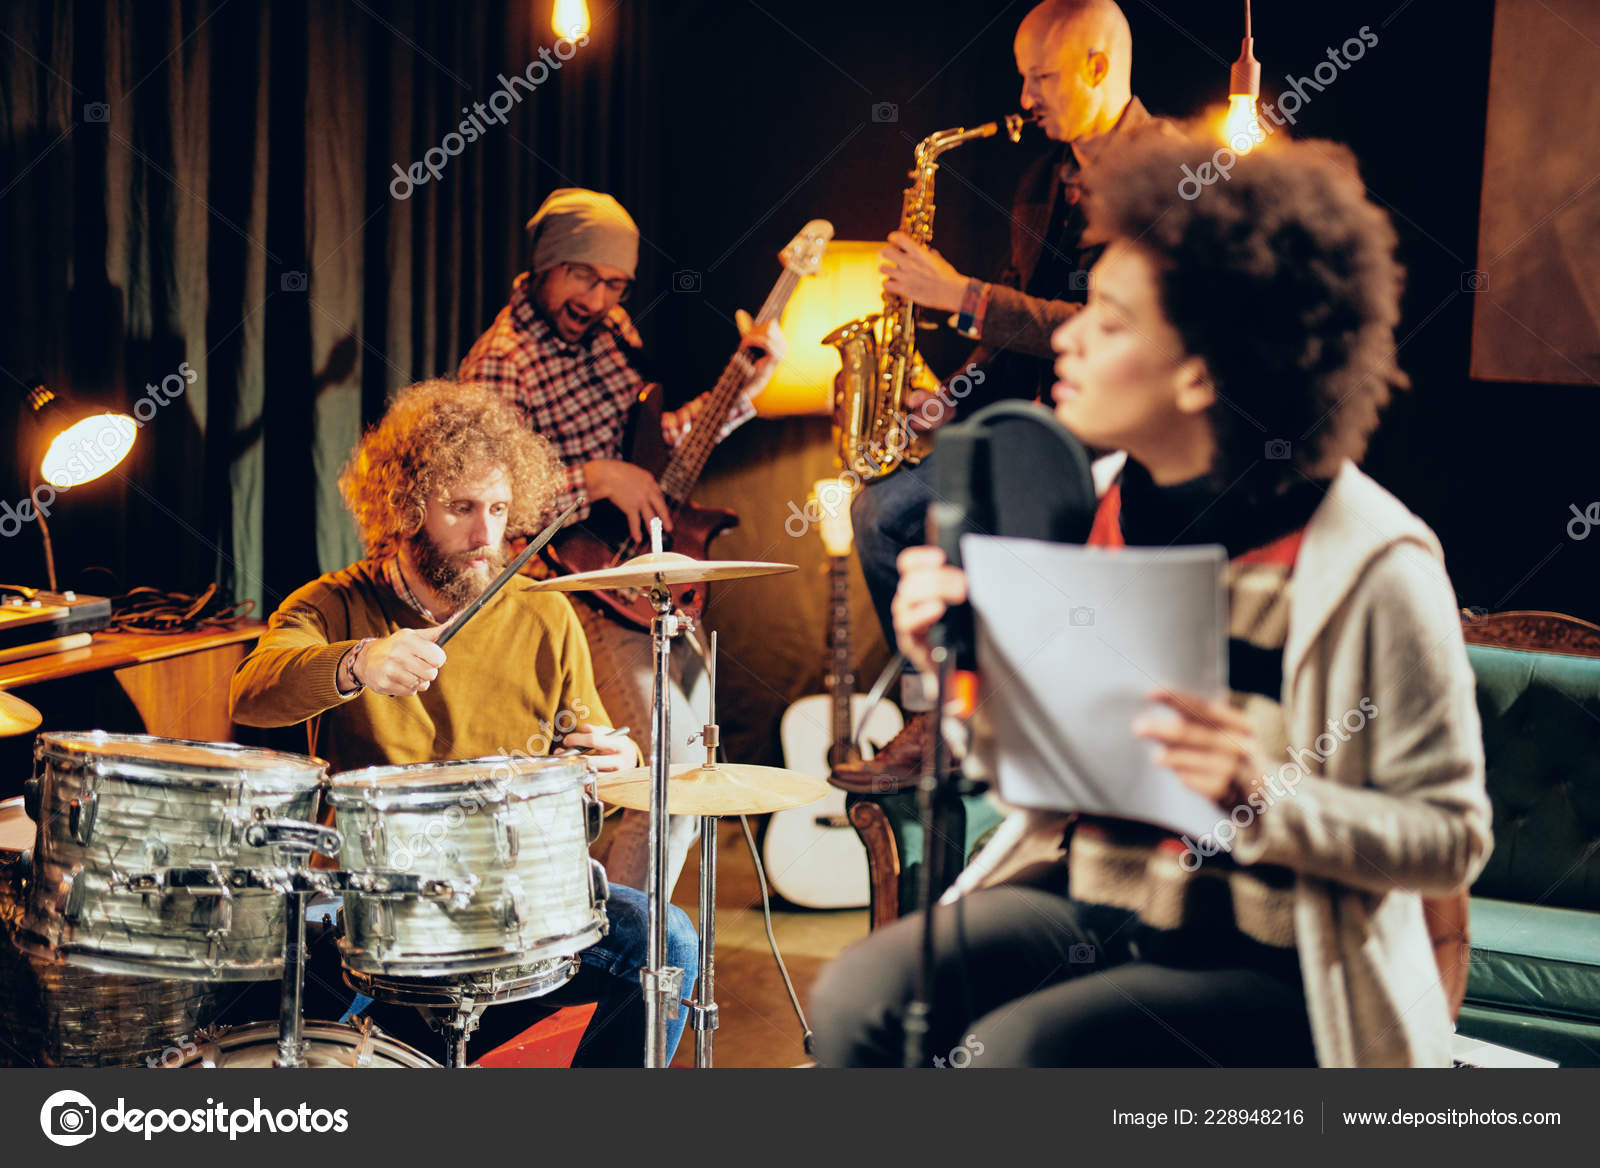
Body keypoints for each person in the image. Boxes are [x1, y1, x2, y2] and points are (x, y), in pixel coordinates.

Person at [810, 132, 1493, 1067]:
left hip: (1277, 958)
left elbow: (1449, 842)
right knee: (859, 996)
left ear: (1200, 372)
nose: (1073, 335)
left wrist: (1264, 802)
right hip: (1100, 901)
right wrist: (959, 666)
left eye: (1113, 321)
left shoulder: (1377, 563)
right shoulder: (1094, 507)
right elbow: (1031, 768)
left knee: (1015, 1056)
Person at [229, 379, 699, 1066]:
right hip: (374, 901)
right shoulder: (335, 605)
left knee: (664, 938)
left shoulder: (544, 610)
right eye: (463, 509)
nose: (487, 537)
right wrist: (359, 663)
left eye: (501, 508)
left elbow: (593, 742)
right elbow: (253, 693)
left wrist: (615, 758)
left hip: (509, 901)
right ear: (406, 506)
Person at [837, 0, 1169, 788]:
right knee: (879, 510)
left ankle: (992, 723)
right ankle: (942, 712)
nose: (1026, 99)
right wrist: (953, 394)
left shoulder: (1169, 174)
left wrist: (960, 295)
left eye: (1042, 78)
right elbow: (1024, 320)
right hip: (1031, 426)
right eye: (1024, 79)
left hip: (1125, 440)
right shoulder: (1041, 176)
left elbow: (1114, 325)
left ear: (1098, 66)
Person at [460, 187, 785, 892]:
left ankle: (634, 962)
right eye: (585, 276)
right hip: (568, 594)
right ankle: (623, 971)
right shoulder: (502, 360)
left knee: (689, 776)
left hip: (633, 585)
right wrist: (596, 478)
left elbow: (661, 448)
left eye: (615, 284)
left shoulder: (613, 338)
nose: (600, 298)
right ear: (547, 265)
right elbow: (484, 506)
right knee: (661, 785)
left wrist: (742, 386)